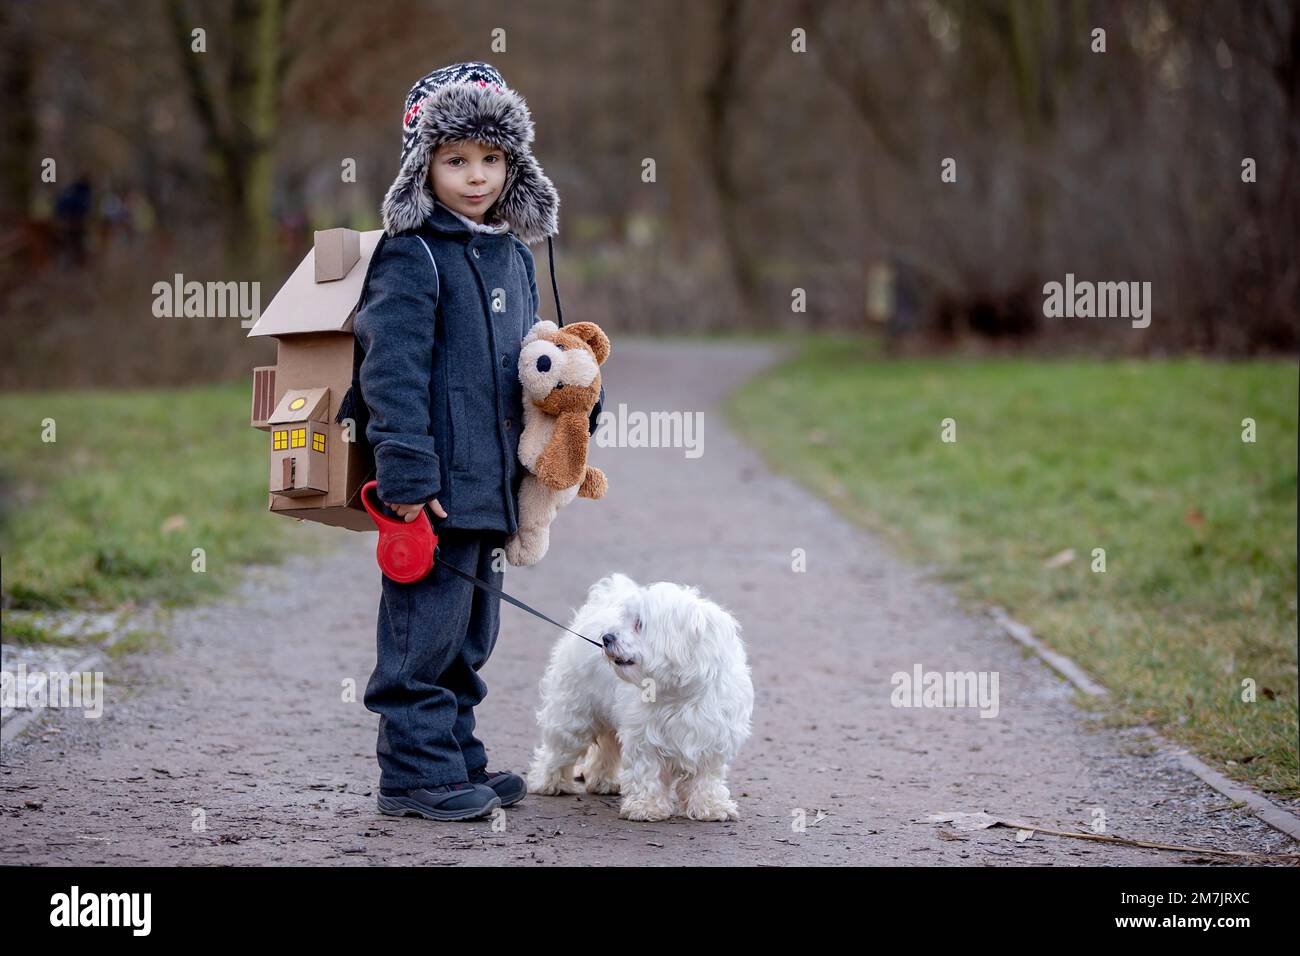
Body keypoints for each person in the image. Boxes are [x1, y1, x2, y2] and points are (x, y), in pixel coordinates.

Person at [354, 62, 601, 821]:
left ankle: (455, 753)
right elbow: (390, 371)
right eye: (456, 159)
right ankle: (413, 774)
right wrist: (405, 467)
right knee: (421, 635)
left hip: (495, 482)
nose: (475, 177)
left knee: (472, 633)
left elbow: (533, 360)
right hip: (432, 483)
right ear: (422, 163)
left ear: (514, 164)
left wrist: (574, 402)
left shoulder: (514, 254)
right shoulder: (413, 253)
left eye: (491, 160)